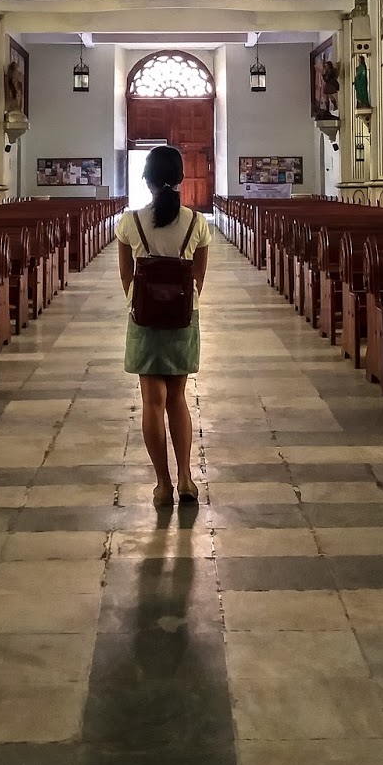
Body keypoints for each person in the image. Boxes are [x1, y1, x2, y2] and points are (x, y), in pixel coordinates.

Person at [116, 145, 211, 508]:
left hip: (144, 317)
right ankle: (186, 477)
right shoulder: (196, 222)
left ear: (147, 179)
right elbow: (198, 277)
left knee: (152, 401)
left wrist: (143, 300)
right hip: (183, 316)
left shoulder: (131, 222)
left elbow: (127, 277)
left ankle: (162, 483)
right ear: (180, 178)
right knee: (177, 398)